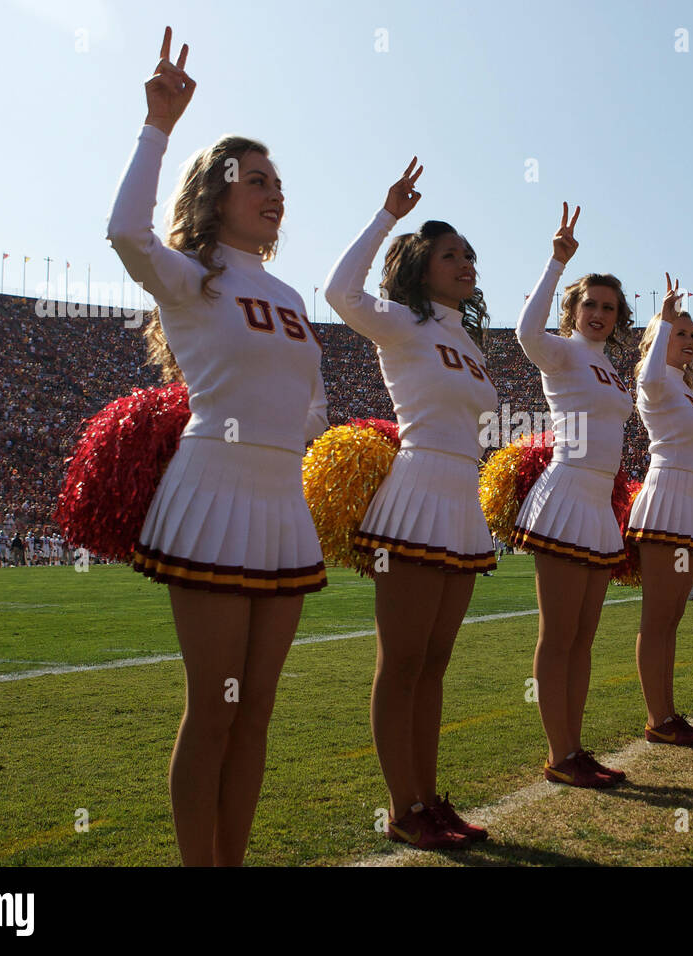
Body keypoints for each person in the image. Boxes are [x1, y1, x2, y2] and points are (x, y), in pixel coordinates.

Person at [109, 27, 329, 866]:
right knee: (215, 706)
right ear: (217, 191)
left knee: (259, 709)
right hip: (212, 495)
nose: (274, 193)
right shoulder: (190, 273)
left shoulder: (287, 293)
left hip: (281, 501)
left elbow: (309, 401)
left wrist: (317, 441)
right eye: (257, 180)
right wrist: (158, 124)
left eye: (279, 182)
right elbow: (126, 232)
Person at [324, 159, 497, 849]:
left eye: (470, 255)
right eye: (451, 254)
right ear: (421, 265)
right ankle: (403, 807)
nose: (465, 263)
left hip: (460, 499)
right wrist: (386, 215)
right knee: (401, 663)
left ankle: (430, 797)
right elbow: (339, 290)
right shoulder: (399, 321)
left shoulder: (468, 338)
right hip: (416, 492)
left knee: (435, 664)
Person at [513, 204, 635, 788]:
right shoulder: (561, 351)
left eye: (609, 308)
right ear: (575, 308)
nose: (600, 314)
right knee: (557, 635)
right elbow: (524, 333)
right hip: (564, 495)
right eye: (591, 304)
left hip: (597, 503)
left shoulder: (612, 369)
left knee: (583, 638)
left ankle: (575, 747)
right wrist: (557, 261)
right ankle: (560, 753)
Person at [626, 275, 693, 745]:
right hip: (664, 499)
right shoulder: (656, 380)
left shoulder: (689, 388)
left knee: (674, 618)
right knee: (657, 617)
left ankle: (668, 713)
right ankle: (659, 718)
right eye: (678, 332)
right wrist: (663, 318)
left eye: (691, 334)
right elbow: (646, 375)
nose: (687, 340)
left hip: (690, 503)